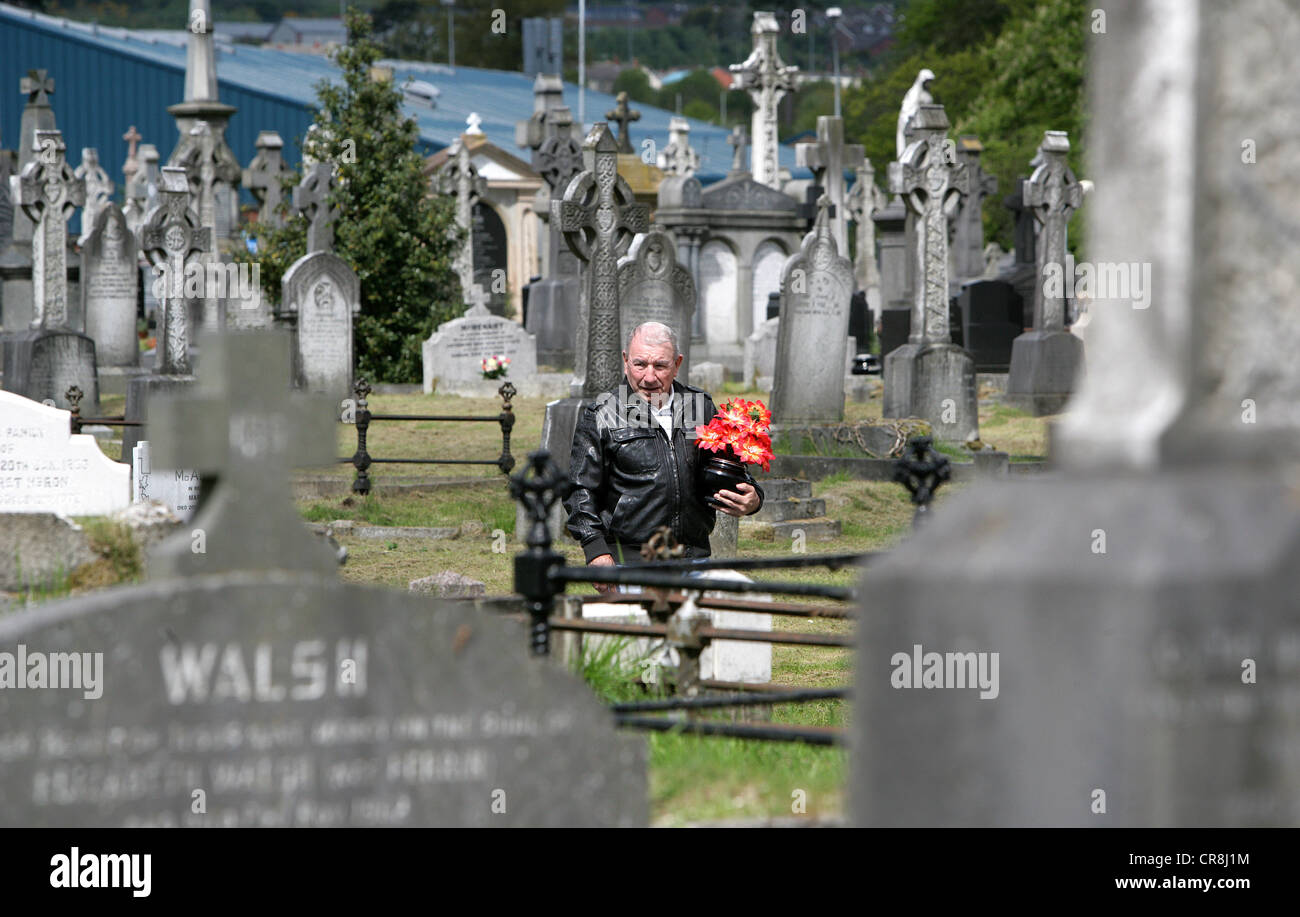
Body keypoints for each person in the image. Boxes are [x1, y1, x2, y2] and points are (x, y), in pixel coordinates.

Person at [564, 321, 764, 594]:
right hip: (629, 564)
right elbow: (579, 489)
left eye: (660, 366)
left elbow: (731, 461)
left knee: (696, 635)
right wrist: (596, 550)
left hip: (693, 560)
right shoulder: (603, 413)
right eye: (639, 364)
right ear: (625, 361)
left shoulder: (699, 406)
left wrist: (753, 498)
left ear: (677, 364)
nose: (649, 377)